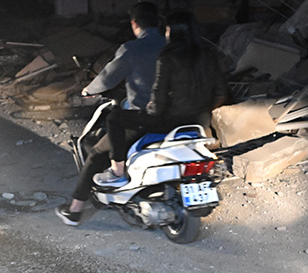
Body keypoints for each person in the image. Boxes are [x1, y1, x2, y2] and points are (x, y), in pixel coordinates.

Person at [56, 2, 165, 226]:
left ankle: (74, 211)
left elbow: (107, 78)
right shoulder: (172, 46)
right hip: (173, 117)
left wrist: (88, 90)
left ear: (135, 24)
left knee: (96, 152)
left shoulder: (132, 48)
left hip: (141, 118)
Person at [93, 10, 225, 188]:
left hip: (171, 122)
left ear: (174, 32)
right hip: (201, 121)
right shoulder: (208, 54)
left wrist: (150, 109)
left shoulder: (168, 56)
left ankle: (117, 172)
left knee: (114, 117)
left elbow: (159, 98)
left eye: (168, 30)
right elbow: (221, 93)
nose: (166, 34)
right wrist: (203, 109)